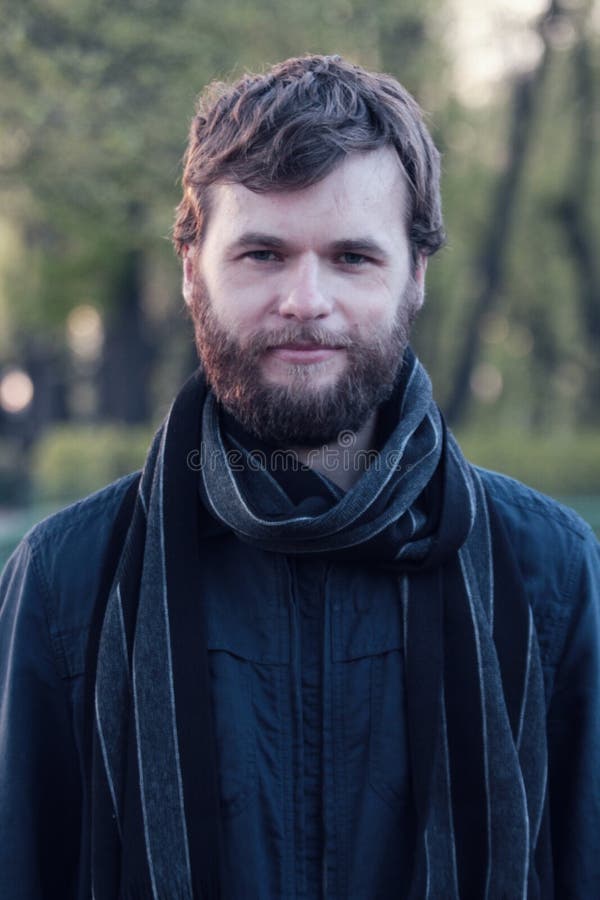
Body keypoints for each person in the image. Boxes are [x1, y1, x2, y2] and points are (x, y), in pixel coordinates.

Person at [0, 54, 598, 900]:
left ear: (416, 273)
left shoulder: (553, 576)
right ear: (189, 269)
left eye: (352, 257)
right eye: (262, 254)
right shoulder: (68, 585)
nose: (305, 300)